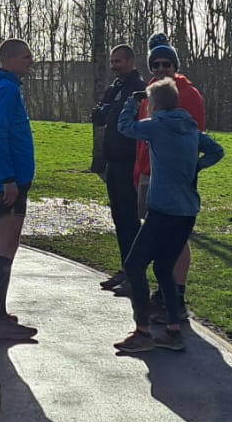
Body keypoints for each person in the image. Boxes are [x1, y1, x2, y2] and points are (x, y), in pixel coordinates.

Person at [112, 77, 224, 354]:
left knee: (135, 265)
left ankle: (143, 331)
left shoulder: (156, 126)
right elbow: (217, 151)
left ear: (153, 105)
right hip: (187, 212)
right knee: (163, 267)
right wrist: (196, 166)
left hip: (163, 210)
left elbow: (124, 127)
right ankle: (173, 330)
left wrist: (131, 102)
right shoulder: (190, 127)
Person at [130, 34, 208, 319]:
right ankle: (163, 293)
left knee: (176, 237)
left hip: (174, 177)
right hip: (149, 174)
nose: (161, 69)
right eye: (155, 65)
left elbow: (196, 137)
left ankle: (176, 293)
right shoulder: (150, 93)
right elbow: (141, 137)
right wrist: (138, 172)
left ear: (175, 65)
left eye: (166, 64)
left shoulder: (188, 94)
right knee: (155, 232)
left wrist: (192, 169)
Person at [0, 39, 38, 341]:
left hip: (9, 177)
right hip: (8, 180)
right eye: (26, 56)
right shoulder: (6, 89)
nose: (31, 61)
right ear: (11, 59)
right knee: (6, 244)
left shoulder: (5, 86)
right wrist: (8, 178)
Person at [92, 43, 145, 291]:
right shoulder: (114, 88)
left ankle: (135, 274)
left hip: (129, 161)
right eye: (112, 62)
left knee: (130, 219)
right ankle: (126, 269)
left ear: (131, 62)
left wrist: (111, 113)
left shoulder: (138, 89)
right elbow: (105, 117)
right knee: (118, 218)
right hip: (112, 161)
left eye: (118, 62)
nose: (114, 66)